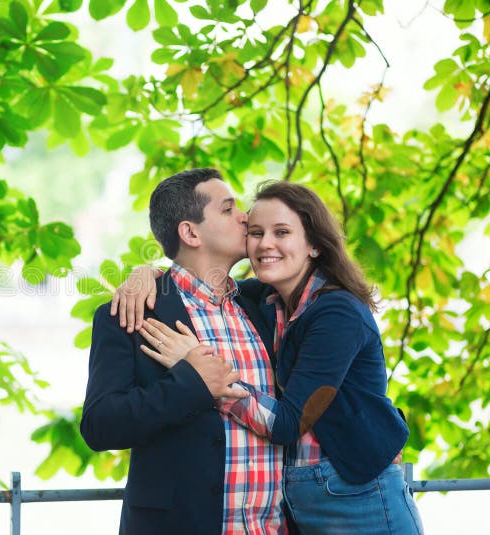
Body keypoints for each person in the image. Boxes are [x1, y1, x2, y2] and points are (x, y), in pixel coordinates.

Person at [127, 181, 424, 534]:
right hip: (295, 505)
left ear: (314, 245)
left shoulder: (337, 313)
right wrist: (145, 274)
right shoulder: (266, 301)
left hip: (358, 496)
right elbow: (196, 283)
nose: (265, 243)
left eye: (282, 232)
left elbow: (287, 423)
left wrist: (200, 369)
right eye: (256, 232)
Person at [80, 168, 290, 535]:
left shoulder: (266, 303)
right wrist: (192, 385)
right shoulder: (133, 314)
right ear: (190, 232)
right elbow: (100, 426)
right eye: (228, 209)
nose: (245, 216)